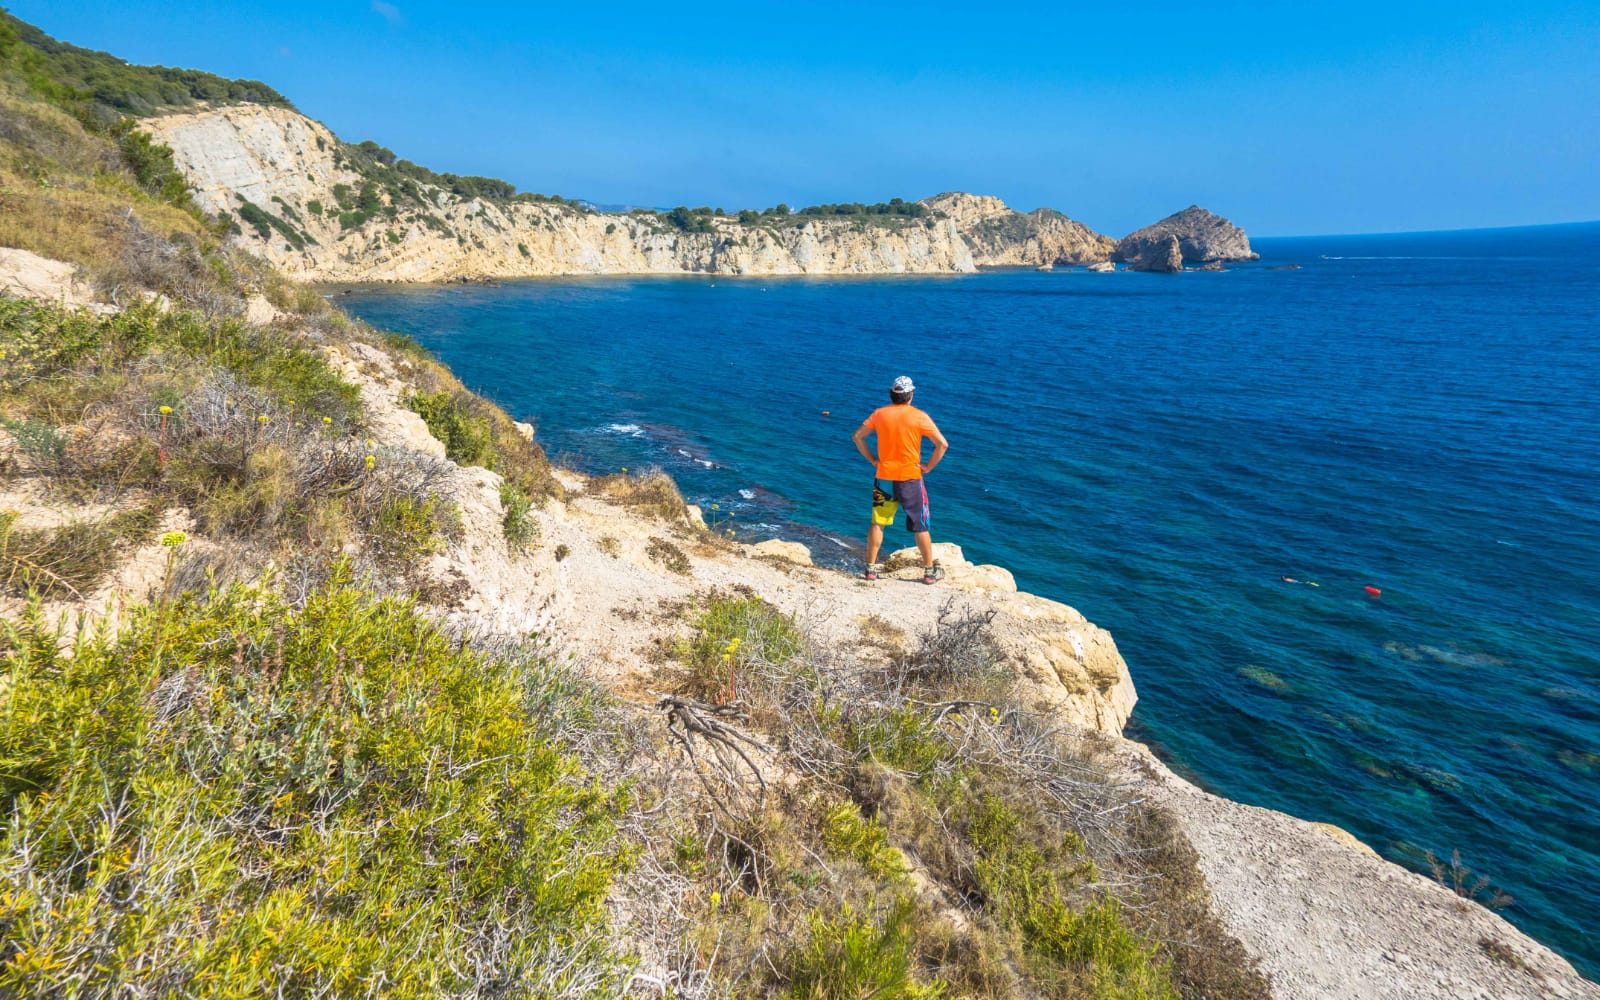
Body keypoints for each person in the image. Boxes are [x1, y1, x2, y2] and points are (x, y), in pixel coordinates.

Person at [852, 375, 949, 583]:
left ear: (891, 394)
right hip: (910, 478)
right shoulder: (919, 416)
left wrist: (873, 460)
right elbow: (942, 444)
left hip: (884, 477)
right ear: (911, 395)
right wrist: (928, 467)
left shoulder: (879, 414)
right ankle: (929, 572)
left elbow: (858, 436)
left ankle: (870, 569)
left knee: (878, 523)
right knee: (920, 525)